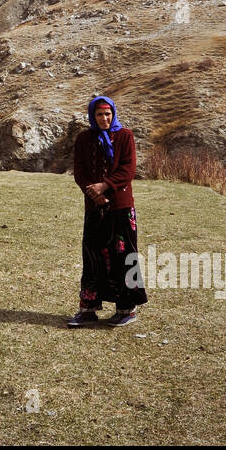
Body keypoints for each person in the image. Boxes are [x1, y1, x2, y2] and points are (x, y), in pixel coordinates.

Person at [67, 95, 147, 328]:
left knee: (124, 256)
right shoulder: (84, 138)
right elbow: (80, 170)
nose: (104, 118)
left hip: (120, 206)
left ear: (113, 114)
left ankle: (126, 309)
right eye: (100, 114)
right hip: (94, 206)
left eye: (108, 113)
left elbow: (127, 169)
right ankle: (89, 309)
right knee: (92, 256)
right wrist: (93, 193)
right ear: (93, 116)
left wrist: (105, 186)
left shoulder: (125, 136)